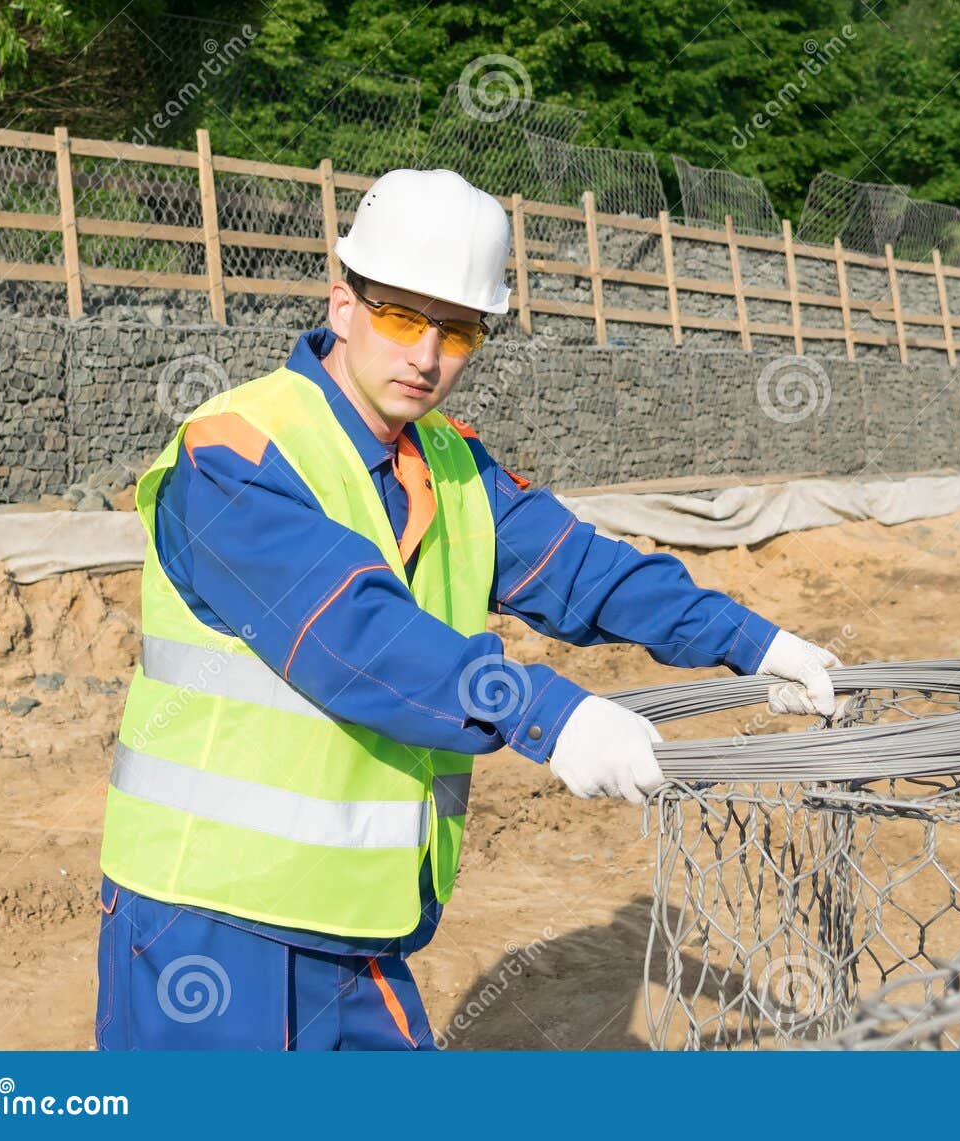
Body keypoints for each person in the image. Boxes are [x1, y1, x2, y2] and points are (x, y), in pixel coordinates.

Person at [93, 168, 843, 1050]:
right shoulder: (236, 454)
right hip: (209, 923)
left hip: (354, 927)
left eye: (458, 330)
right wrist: (548, 714)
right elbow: (351, 634)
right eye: (404, 317)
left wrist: (755, 642)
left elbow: (589, 574)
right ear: (344, 304)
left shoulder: (451, 467)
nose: (426, 355)